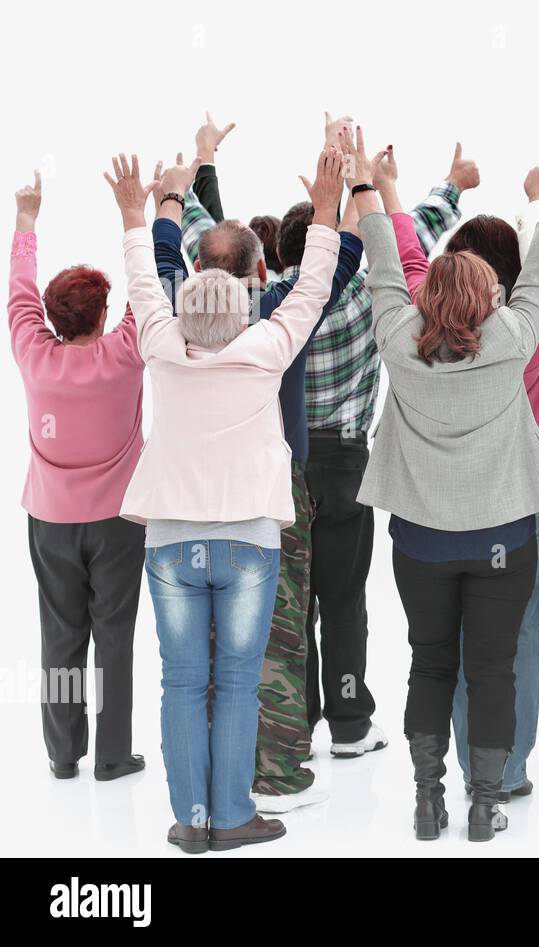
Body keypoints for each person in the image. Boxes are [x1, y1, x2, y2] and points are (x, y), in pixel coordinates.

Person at [343, 125, 539, 842]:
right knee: (493, 667)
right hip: (503, 539)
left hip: (420, 541)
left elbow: (387, 261)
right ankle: (485, 803)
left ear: (426, 296)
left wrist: (367, 184)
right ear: (489, 296)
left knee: (429, 664)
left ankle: (429, 800)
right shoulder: (512, 338)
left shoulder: (397, 338)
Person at [108, 146, 343, 853]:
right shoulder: (267, 346)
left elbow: (145, 280)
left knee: (182, 682)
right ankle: (234, 814)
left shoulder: (159, 342)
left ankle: (192, 820)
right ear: (248, 298)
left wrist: (137, 211)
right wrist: (326, 209)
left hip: (170, 539)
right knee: (238, 682)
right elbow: (315, 285)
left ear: (186, 297)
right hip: (248, 539)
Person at [151, 116, 365, 812]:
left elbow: (166, 255)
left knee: (194, 663)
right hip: (270, 497)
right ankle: (274, 774)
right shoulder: (274, 317)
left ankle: (207, 790)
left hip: (180, 509)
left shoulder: (168, 317)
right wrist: (339, 196)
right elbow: (337, 265)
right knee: (277, 637)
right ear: (262, 271)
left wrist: (175, 193)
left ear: (196, 274)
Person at [298, 119, 475, 761]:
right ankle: (349, 724)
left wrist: (194, 179)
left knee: (293, 603)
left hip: (286, 464)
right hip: (346, 465)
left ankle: (296, 723)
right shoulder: (364, 301)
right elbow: (403, 243)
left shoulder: (275, 305)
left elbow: (209, 239)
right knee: (344, 600)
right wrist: (447, 186)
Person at [436, 161, 539, 802]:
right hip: (526, 496)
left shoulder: (425, 333)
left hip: (452, 497)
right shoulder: (533, 321)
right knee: (522, 635)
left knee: (461, 639)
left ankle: (473, 769)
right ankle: (508, 768)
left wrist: (392, 193)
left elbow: (403, 257)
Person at [8, 171, 147, 783]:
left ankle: (64, 753)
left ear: (52, 316)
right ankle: (113, 755)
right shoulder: (125, 353)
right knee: (114, 637)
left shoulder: (33, 354)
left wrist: (27, 220)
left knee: (61, 636)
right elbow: (150, 293)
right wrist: (138, 213)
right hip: (118, 521)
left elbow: (18, 294)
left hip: (51, 521)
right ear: (104, 314)